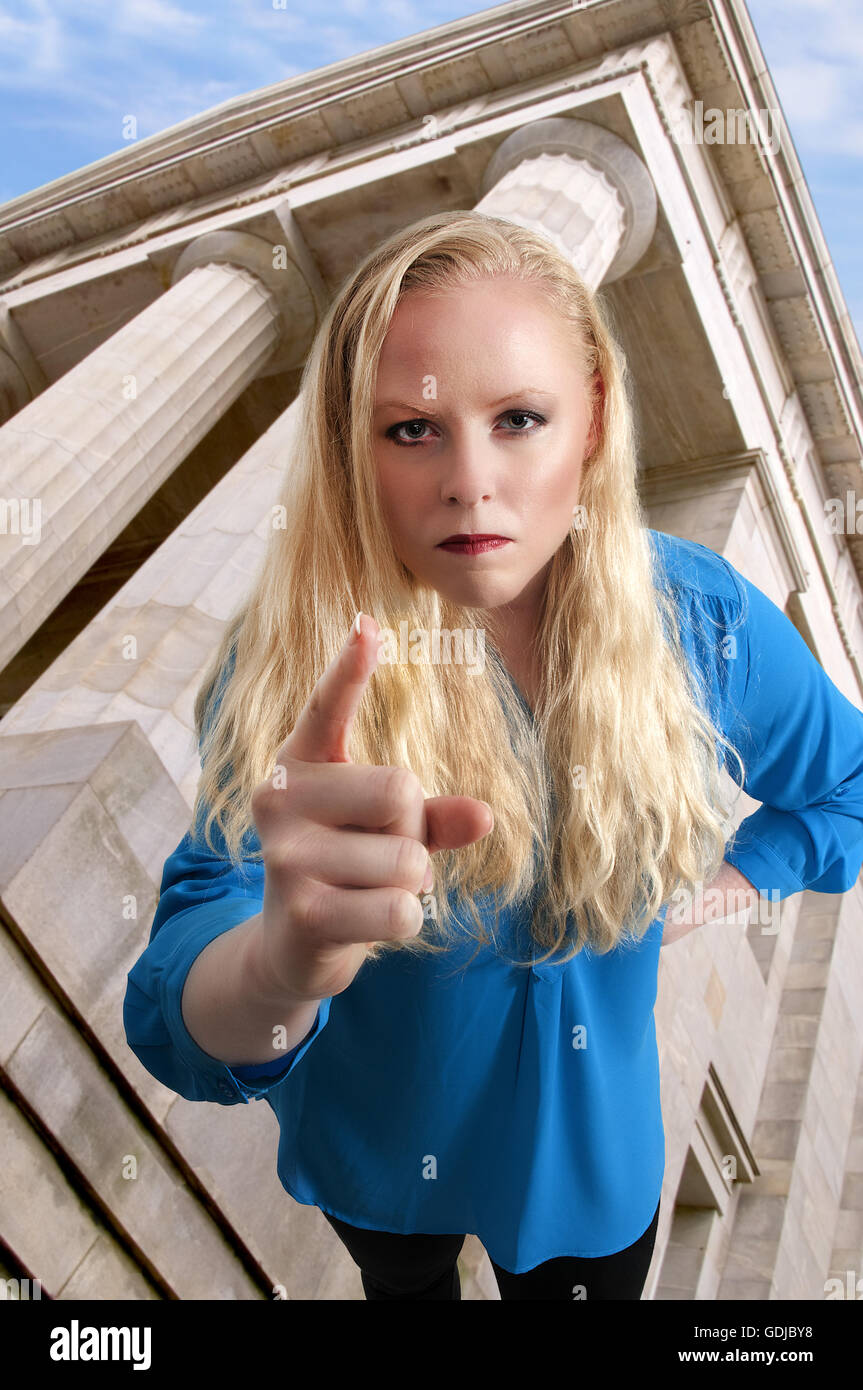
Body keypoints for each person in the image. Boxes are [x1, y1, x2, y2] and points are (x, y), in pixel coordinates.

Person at [123, 210, 863, 1300]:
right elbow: (178, 989)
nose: (471, 482)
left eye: (518, 417)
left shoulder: (698, 618)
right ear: (350, 449)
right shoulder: (298, 661)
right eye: (411, 431)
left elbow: (846, 788)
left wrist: (734, 879)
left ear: (592, 417)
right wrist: (282, 961)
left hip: (588, 1169)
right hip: (378, 1159)